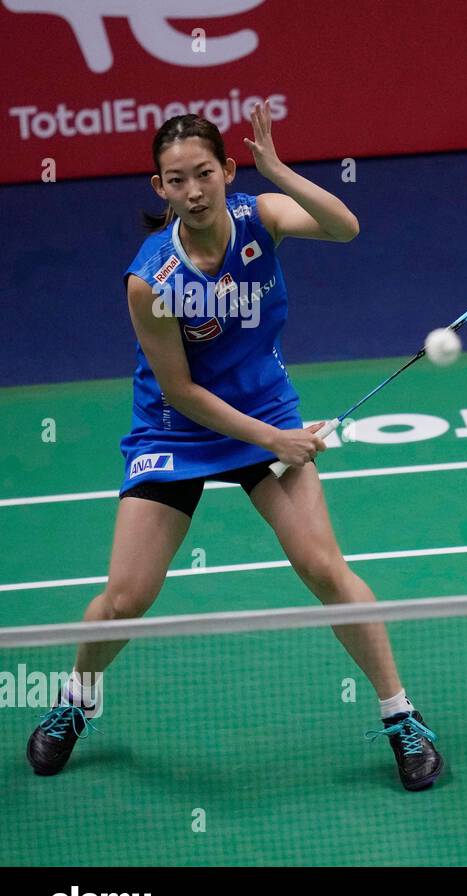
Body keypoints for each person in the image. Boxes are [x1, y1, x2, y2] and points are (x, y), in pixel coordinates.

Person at [26, 107, 444, 791]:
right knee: (127, 596)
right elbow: (184, 391)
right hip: (178, 430)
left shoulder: (262, 217)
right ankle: (78, 699)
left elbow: (345, 227)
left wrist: (279, 172)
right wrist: (274, 440)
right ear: (157, 188)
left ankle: (402, 715)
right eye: (174, 180)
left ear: (226, 171)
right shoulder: (151, 280)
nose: (192, 191)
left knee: (323, 567)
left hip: (262, 411)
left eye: (202, 174)